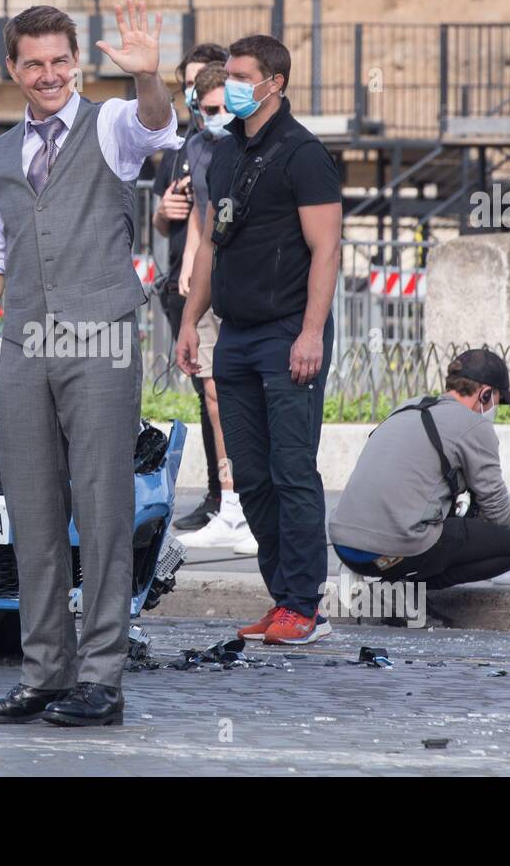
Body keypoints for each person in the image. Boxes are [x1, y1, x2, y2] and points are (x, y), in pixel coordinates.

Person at [0, 0, 179, 727]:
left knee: (103, 509)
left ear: (76, 63)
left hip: (100, 338)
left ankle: (101, 680)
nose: (48, 75)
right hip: (25, 347)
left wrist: (148, 77)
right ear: (12, 69)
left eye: (60, 61)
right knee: (32, 511)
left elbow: (155, 125)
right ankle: (45, 673)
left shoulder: (109, 126)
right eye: (34, 64)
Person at [177, 34, 342, 646]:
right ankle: (282, 599)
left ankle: (305, 605)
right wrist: (190, 322)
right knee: (250, 474)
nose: (234, 86)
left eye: (244, 77)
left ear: (275, 83)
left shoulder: (304, 154)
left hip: (288, 331)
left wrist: (310, 333)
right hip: (237, 335)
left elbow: (327, 249)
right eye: (230, 76)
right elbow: (211, 245)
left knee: (291, 469)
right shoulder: (225, 153)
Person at [328, 350, 510, 590]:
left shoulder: (409, 406)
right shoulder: (474, 425)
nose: (494, 409)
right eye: (497, 401)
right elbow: (497, 512)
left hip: (345, 546)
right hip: (394, 551)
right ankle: (405, 589)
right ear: (485, 393)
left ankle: (386, 580)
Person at [171, 61, 258, 555]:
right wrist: (189, 261)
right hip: (209, 275)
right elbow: (201, 216)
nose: (219, 116)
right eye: (209, 109)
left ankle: (255, 507)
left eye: (227, 107)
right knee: (212, 391)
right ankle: (230, 506)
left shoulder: (253, 145)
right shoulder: (197, 147)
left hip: (248, 284)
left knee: (251, 392)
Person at [152, 43, 228, 537]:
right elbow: (168, 221)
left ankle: (234, 497)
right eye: (190, 88)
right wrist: (164, 213)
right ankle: (221, 497)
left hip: (226, 284)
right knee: (209, 397)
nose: (197, 98)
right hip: (188, 285)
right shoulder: (186, 148)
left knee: (225, 395)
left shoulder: (232, 143)